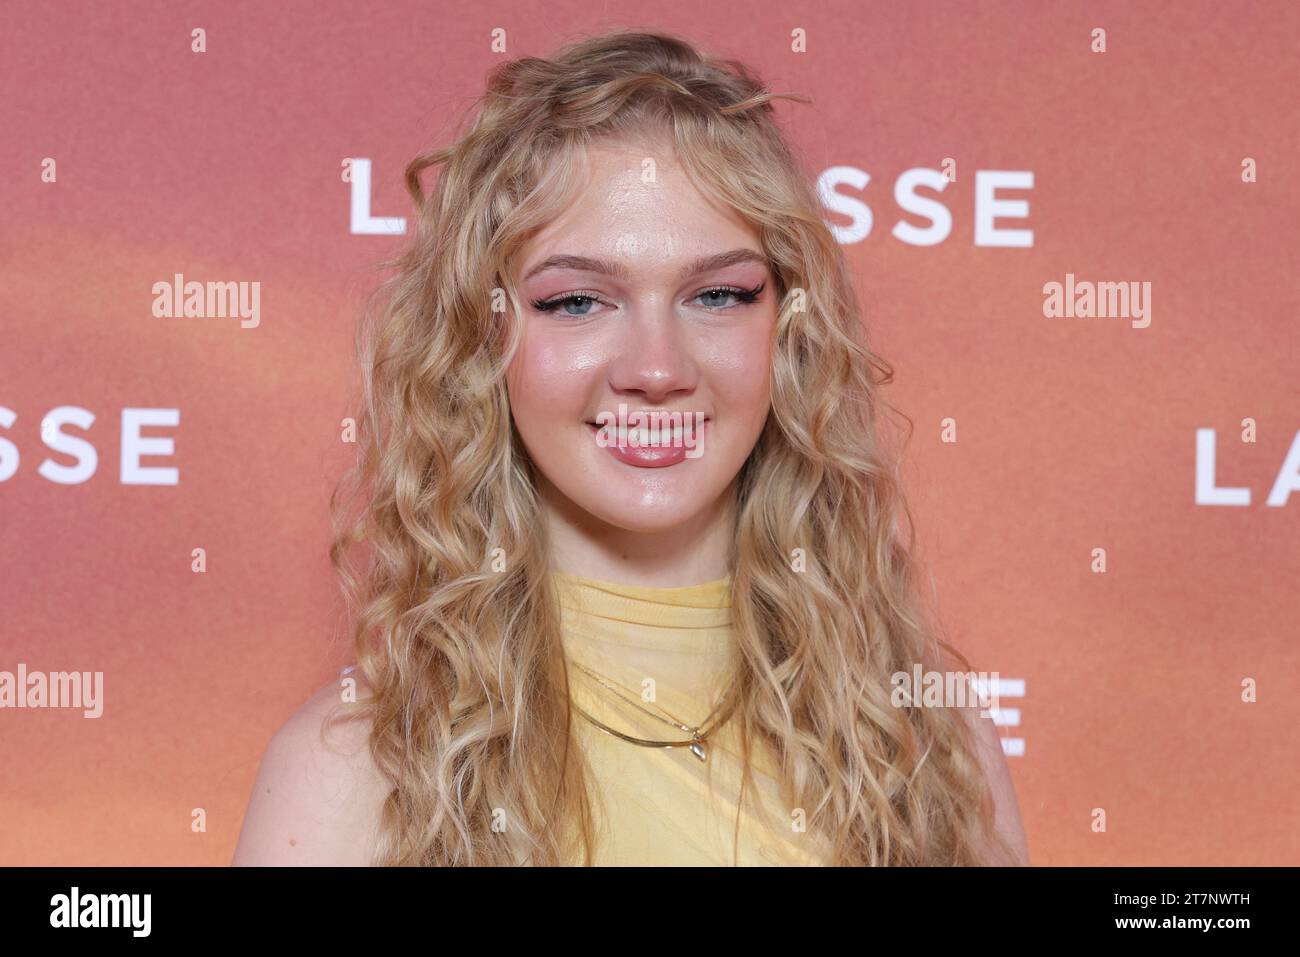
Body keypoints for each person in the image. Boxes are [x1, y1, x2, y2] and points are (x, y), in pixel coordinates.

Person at [232, 29, 1029, 867]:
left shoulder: (932, 745)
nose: (656, 368)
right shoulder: (353, 773)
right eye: (578, 301)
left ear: (787, 331)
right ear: (480, 339)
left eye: (717, 293)